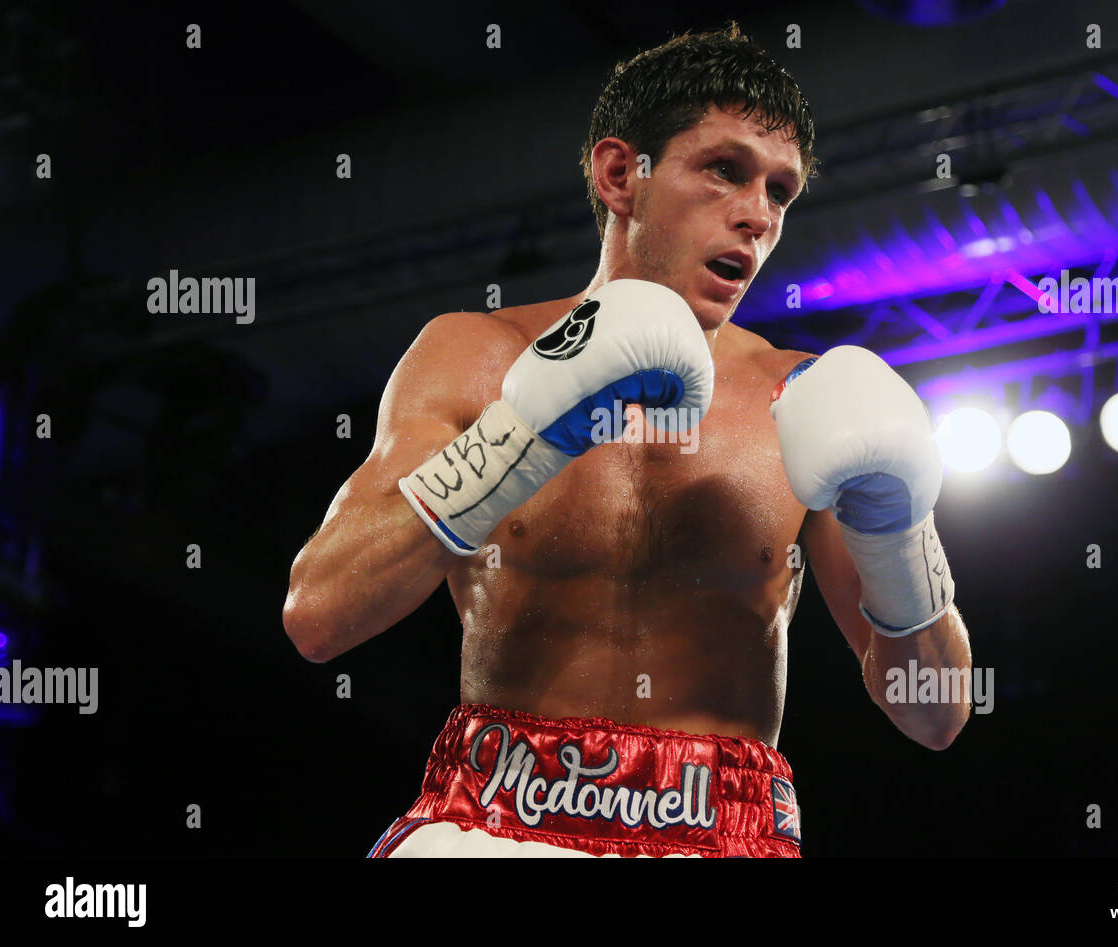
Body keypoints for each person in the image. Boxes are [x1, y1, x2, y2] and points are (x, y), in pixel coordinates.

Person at [283, 22, 972, 858]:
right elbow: (318, 614)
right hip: (495, 815)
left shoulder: (802, 397)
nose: (756, 215)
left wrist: (902, 532)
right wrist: (524, 432)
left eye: (781, 192)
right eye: (725, 170)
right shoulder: (473, 357)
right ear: (621, 174)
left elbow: (934, 715)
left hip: (721, 831)